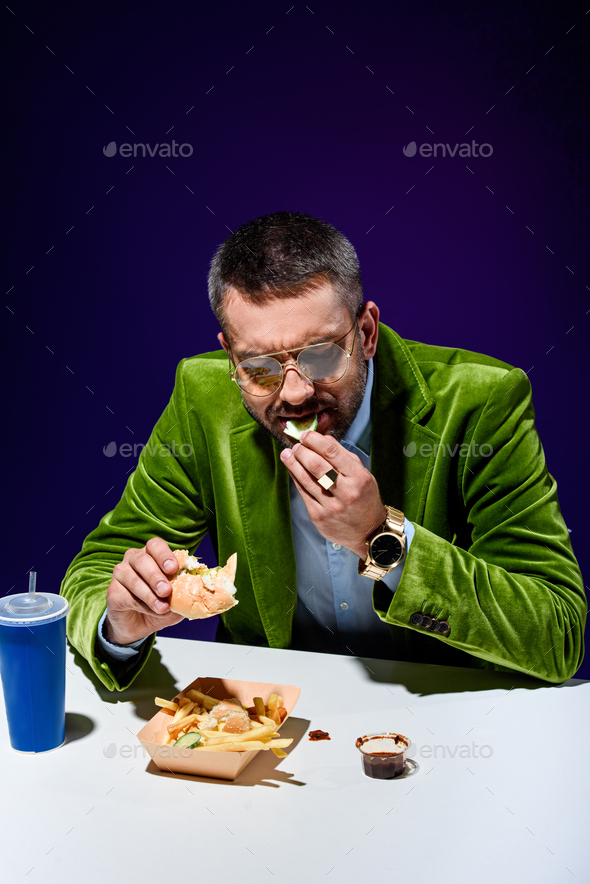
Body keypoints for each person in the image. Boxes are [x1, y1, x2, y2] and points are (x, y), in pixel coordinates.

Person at [60, 211, 586, 691]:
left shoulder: (481, 401)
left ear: (367, 332)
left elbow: (556, 633)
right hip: (272, 727)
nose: (293, 392)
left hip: (445, 717)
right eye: (260, 367)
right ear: (230, 355)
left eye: (320, 354)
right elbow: (95, 573)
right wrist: (119, 625)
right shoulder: (205, 398)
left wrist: (381, 537)